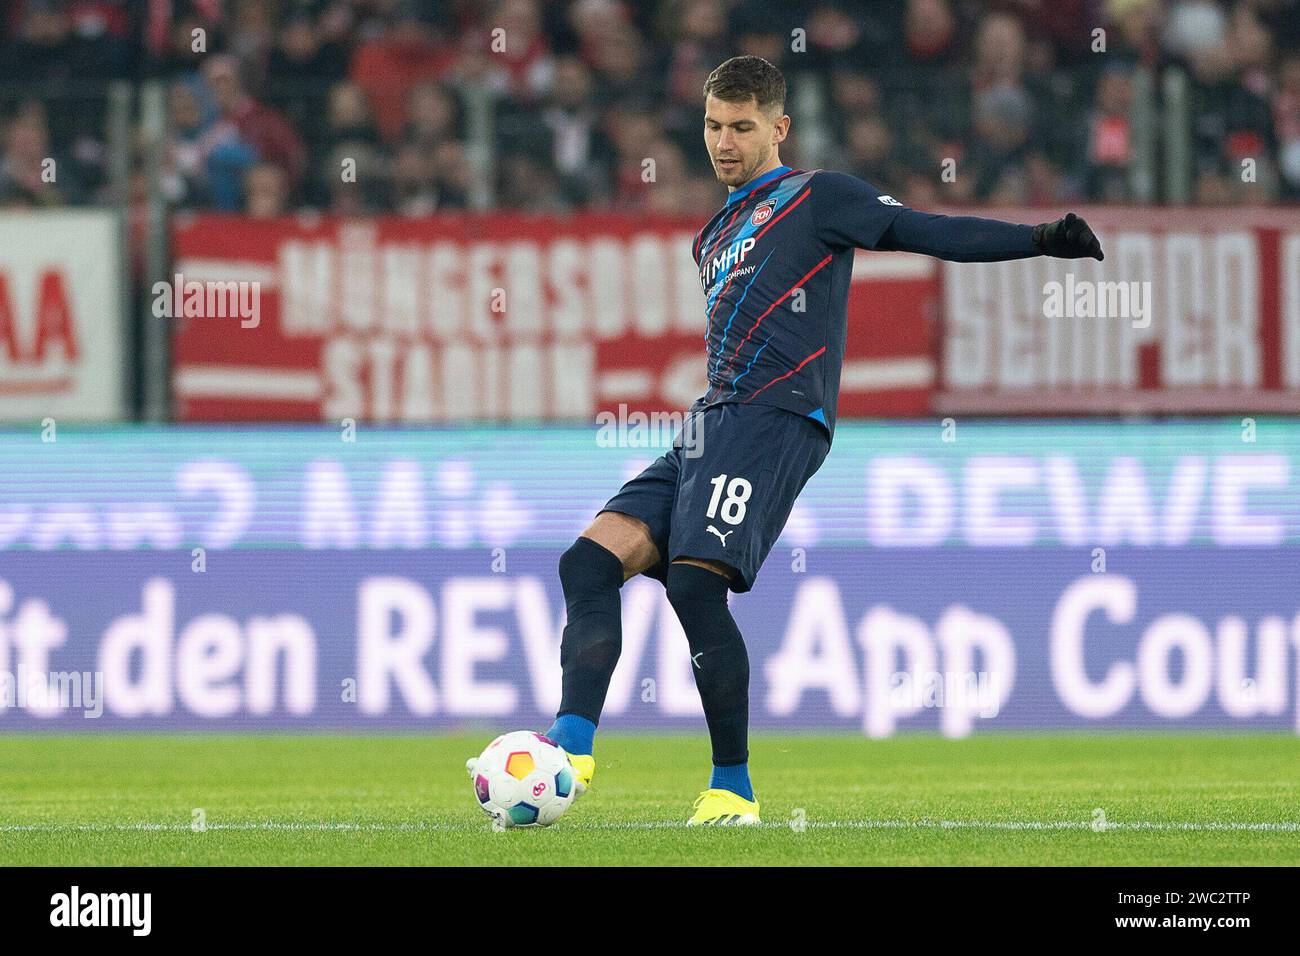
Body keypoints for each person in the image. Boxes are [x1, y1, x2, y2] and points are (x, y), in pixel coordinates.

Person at [473, 54, 1103, 826]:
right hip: (716, 419)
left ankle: (731, 791)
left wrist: (1038, 238)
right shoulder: (713, 235)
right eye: (713, 125)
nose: (725, 141)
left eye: (742, 126)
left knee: (695, 584)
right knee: (589, 559)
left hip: (779, 416)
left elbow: (923, 229)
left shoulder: (819, 197)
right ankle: (572, 744)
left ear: (779, 127)